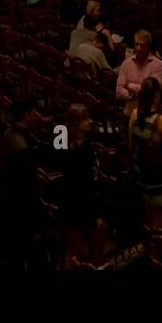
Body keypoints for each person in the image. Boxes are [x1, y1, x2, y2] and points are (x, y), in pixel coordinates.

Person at [0, 99, 45, 269]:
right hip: (22, 210)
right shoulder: (23, 146)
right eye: (33, 111)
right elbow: (28, 186)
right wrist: (35, 224)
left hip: (9, 202)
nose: (36, 114)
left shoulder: (8, 133)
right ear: (26, 114)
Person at [59, 103, 104, 267]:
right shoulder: (87, 150)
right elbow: (88, 185)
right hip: (81, 204)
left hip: (66, 201)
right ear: (76, 123)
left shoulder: (61, 136)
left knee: (72, 250)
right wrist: (97, 215)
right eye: (85, 118)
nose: (90, 121)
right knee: (94, 245)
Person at [129, 77, 162, 232]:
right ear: (156, 95)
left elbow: (131, 146)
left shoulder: (134, 114)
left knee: (148, 209)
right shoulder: (161, 120)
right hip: (157, 175)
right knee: (159, 219)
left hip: (140, 170)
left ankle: (148, 240)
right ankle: (157, 244)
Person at [116, 29, 162, 103]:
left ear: (148, 46)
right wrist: (138, 95)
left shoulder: (158, 64)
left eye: (142, 45)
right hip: (130, 106)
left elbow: (153, 92)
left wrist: (129, 85)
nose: (138, 48)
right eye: (136, 44)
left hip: (149, 107)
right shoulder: (126, 63)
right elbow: (119, 93)